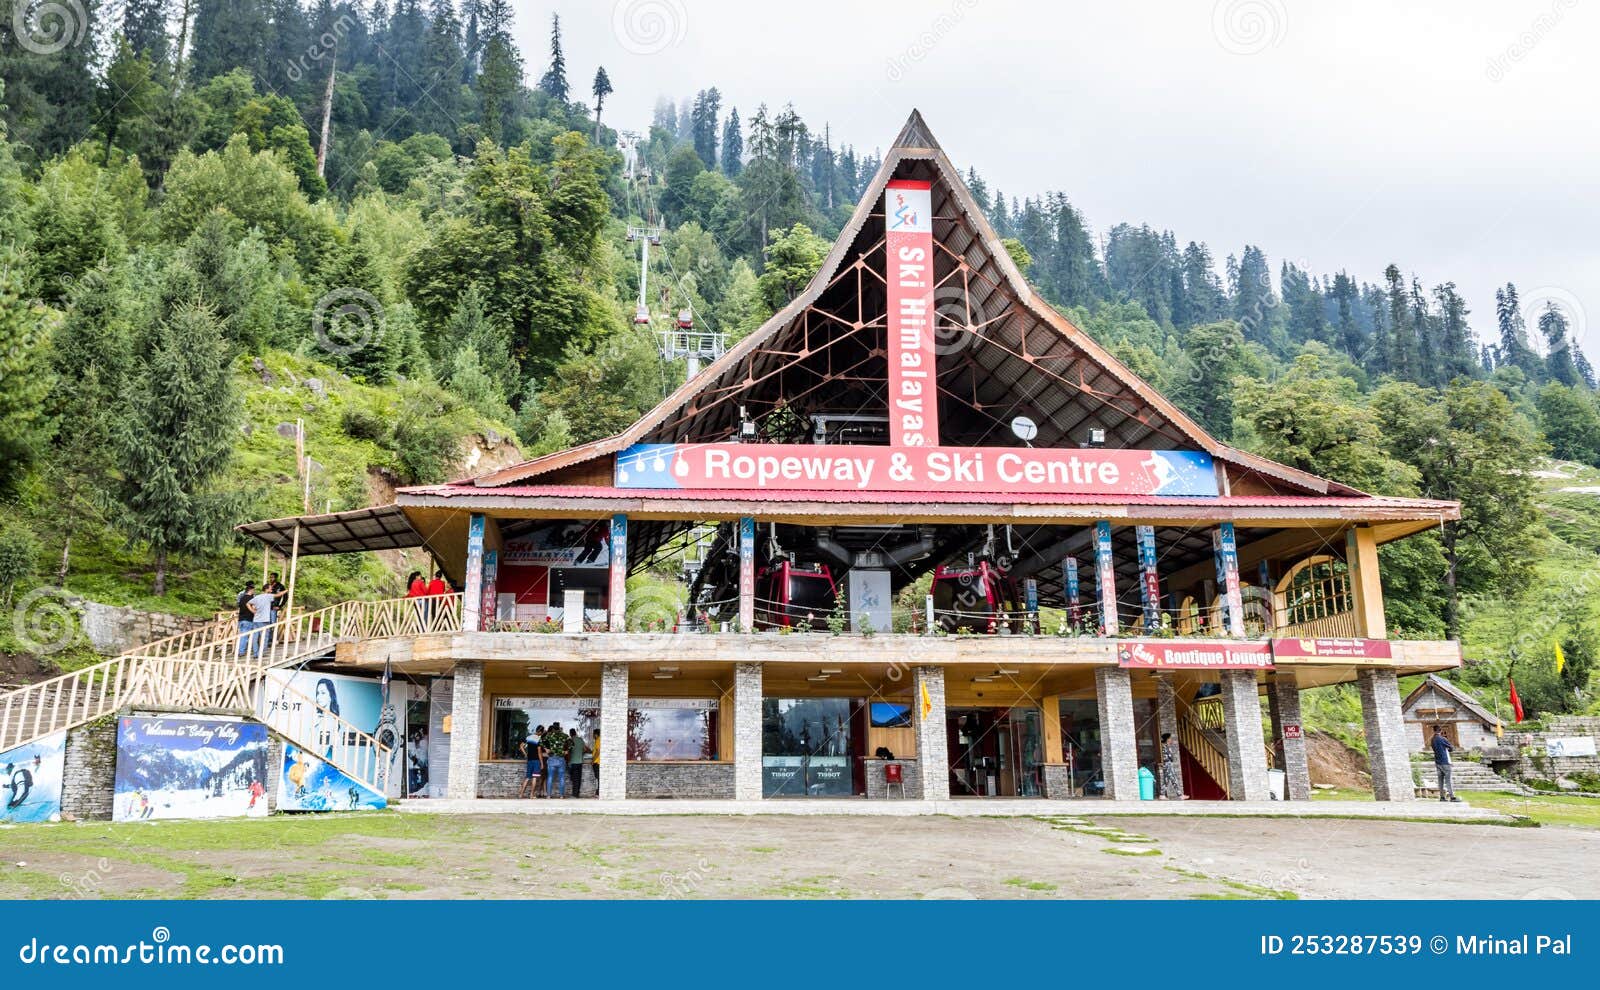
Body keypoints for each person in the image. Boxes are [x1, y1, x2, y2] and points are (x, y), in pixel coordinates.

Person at [245, 585, 278, 657]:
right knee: (265, 636)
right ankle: (261, 653)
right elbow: (278, 595)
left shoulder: (257, 597)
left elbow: (247, 604)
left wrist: (253, 611)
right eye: (270, 588)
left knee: (255, 637)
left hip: (256, 620)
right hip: (264, 620)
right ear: (266, 589)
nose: (271, 589)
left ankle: (255, 653)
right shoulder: (267, 596)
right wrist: (286, 590)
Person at [1431, 725, 1461, 802]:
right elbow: (1451, 748)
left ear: (1433, 731)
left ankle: (1442, 797)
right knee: (1448, 780)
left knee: (1440, 780)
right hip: (1445, 761)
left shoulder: (1432, 739)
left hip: (1437, 762)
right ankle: (1452, 797)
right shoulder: (1442, 738)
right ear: (1440, 731)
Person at [313, 678, 341, 759]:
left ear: (331, 696)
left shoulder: (330, 721)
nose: (319, 697)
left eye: (323, 693)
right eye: (318, 693)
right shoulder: (319, 718)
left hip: (321, 762)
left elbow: (323, 749)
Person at [542, 721, 570, 799]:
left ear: (553, 728)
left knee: (550, 777)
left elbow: (541, 742)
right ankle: (561, 795)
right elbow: (572, 744)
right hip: (561, 758)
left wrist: (546, 749)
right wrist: (566, 751)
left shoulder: (549, 735)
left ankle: (548, 795)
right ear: (559, 727)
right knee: (561, 778)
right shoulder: (564, 735)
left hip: (552, 758)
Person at [519, 725, 545, 799]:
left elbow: (521, 746)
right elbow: (539, 752)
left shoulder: (528, 737)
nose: (542, 734)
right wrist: (542, 763)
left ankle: (521, 794)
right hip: (536, 761)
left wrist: (525, 754)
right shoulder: (539, 739)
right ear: (540, 732)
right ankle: (531, 795)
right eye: (542, 732)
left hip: (529, 760)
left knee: (527, 777)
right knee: (534, 777)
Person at [235, 581, 257, 656]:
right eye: (253, 589)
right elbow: (254, 608)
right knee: (245, 637)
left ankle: (241, 650)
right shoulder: (252, 598)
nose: (254, 591)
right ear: (251, 590)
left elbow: (239, 606)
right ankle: (241, 652)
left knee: (242, 636)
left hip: (241, 619)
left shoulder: (241, 598)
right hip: (248, 619)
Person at [1159, 732, 1183, 800]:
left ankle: (1163, 795)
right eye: (1170, 738)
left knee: (1168, 780)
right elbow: (1166, 757)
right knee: (1172, 779)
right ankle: (1179, 795)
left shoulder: (1167, 746)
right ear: (1167, 739)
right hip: (1167, 765)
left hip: (1169, 764)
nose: (1171, 739)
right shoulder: (1163, 747)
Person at [567, 727, 588, 797]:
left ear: (570, 734)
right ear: (575, 733)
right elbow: (585, 749)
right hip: (580, 762)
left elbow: (568, 752)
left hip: (573, 762)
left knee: (574, 779)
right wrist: (580, 753)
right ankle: (577, 794)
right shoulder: (580, 740)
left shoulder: (570, 741)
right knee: (578, 779)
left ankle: (574, 795)